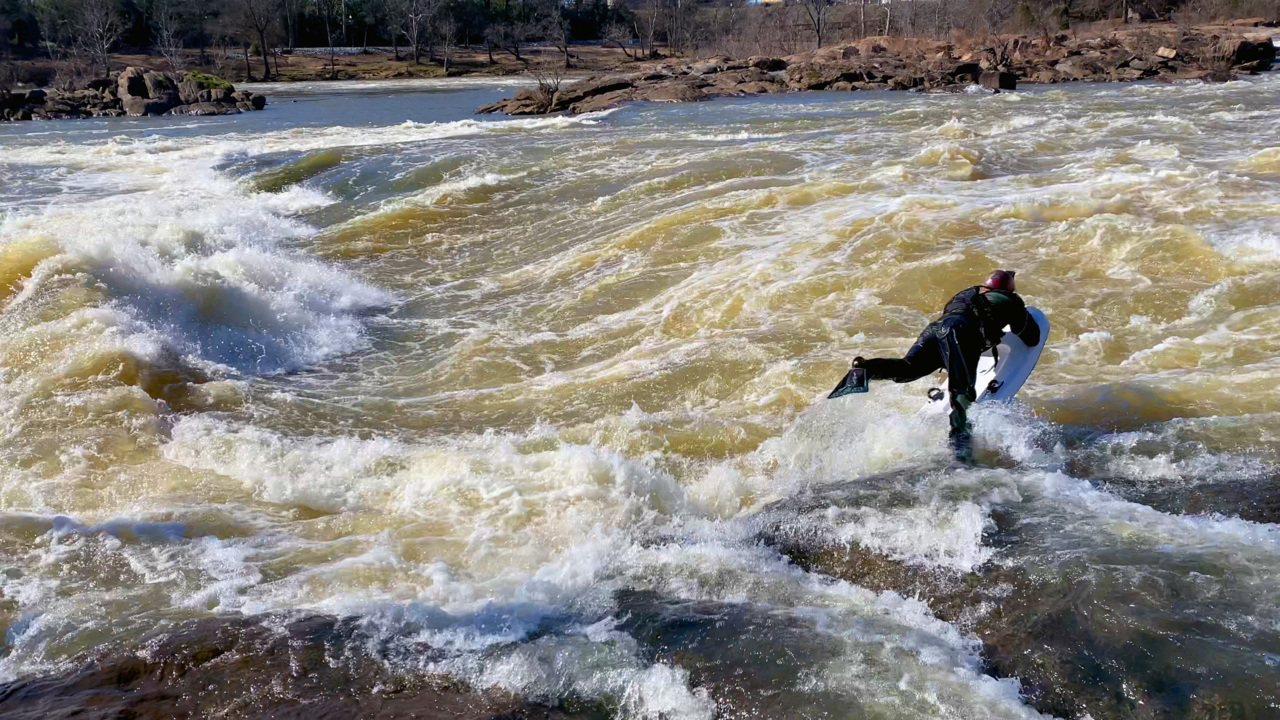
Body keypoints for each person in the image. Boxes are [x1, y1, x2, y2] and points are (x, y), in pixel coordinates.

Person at [853, 270, 1040, 462]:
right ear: (1009, 289)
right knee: (962, 393)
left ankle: (867, 369)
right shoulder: (1009, 300)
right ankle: (961, 449)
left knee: (908, 368)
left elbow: (955, 317)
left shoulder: (965, 294)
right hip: (960, 333)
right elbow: (1032, 337)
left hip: (936, 329)